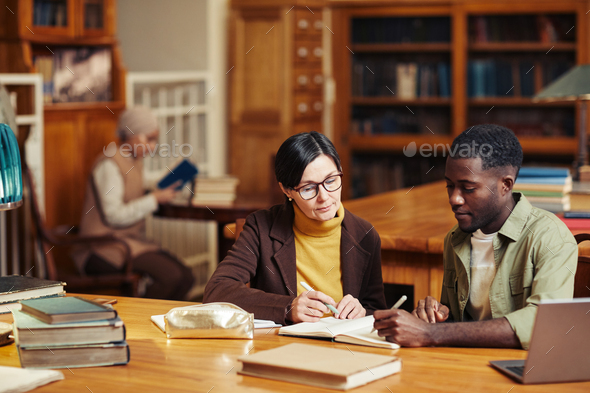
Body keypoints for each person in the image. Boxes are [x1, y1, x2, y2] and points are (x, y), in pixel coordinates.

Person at [374, 124, 577, 349]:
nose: (454, 199)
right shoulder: (455, 238)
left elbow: (544, 324)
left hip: (523, 371)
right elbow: (458, 324)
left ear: (505, 185)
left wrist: (431, 332)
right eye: (449, 186)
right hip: (468, 367)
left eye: (468, 188)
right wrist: (436, 315)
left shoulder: (550, 237)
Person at [204, 131, 386, 324]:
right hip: (281, 346)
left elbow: (377, 311)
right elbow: (217, 290)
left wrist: (362, 312)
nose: (324, 196)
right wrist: (287, 308)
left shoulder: (365, 235)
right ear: (286, 190)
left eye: (331, 181)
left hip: (344, 347)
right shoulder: (261, 228)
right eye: (308, 188)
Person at [72, 106, 195, 300]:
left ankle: (158, 321)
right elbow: (114, 215)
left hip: (125, 243)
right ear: (131, 135)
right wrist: (153, 199)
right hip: (100, 248)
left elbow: (130, 196)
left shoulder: (134, 161)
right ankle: (143, 320)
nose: (153, 146)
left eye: (155, 139)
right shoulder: (109, 165)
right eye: (149, 139)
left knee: (187, 277)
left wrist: (154, 193)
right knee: (172, 277)